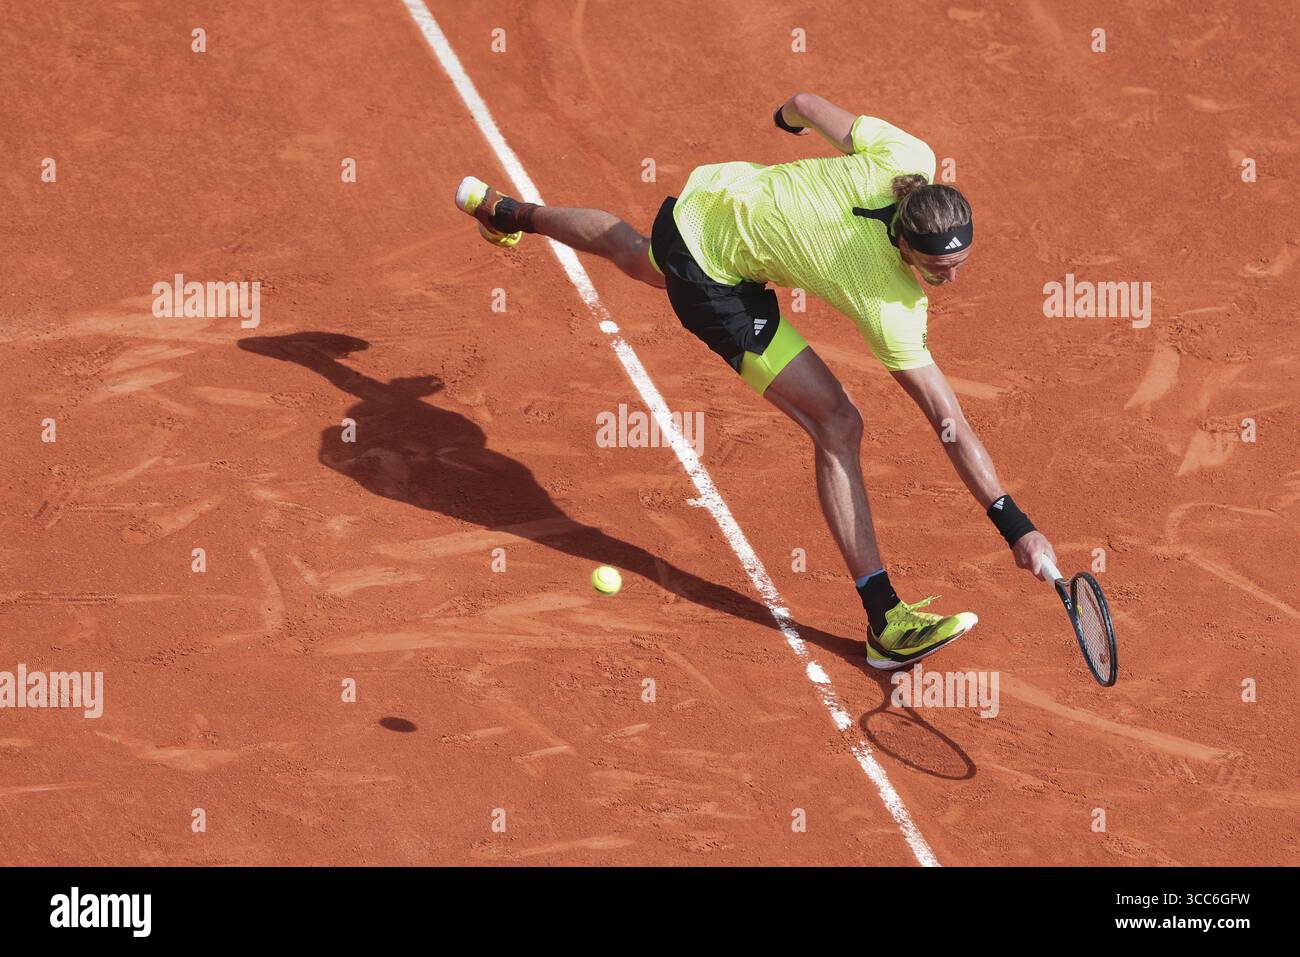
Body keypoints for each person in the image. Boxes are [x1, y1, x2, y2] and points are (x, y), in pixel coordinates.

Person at [454, 91, 1057, 670]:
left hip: (713, 197)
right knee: (837, 422)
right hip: (715, 277)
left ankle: (505, 211)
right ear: (903, 241)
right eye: (935, 266)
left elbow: (807, 103)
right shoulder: (888, 304)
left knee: (639, 254)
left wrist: (787, 117)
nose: (948, 276)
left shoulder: (908, 157)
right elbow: (947, 421)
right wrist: (1015, 526)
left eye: (957, 261)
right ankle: (885, 622)